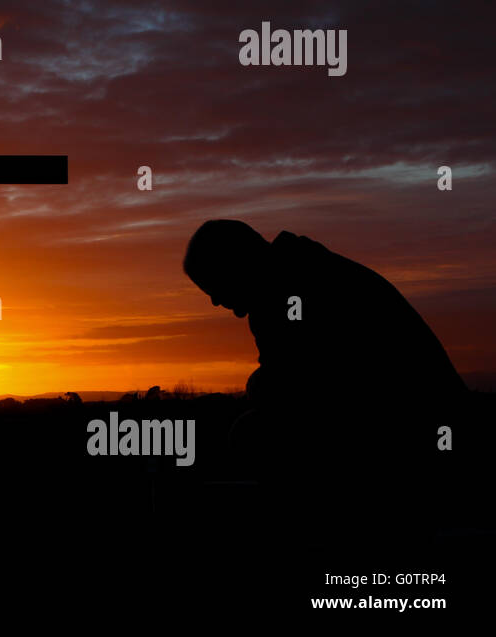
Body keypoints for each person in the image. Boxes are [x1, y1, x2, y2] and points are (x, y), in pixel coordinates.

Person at [183, 219, 466, 519]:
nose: (215, 302)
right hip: (423, 426)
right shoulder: (300, 271)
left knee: (253, 435)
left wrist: (256, 389)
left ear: (234, 266)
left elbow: (293, 392)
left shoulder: (288, 288)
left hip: (409, 438)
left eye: (213, 285)